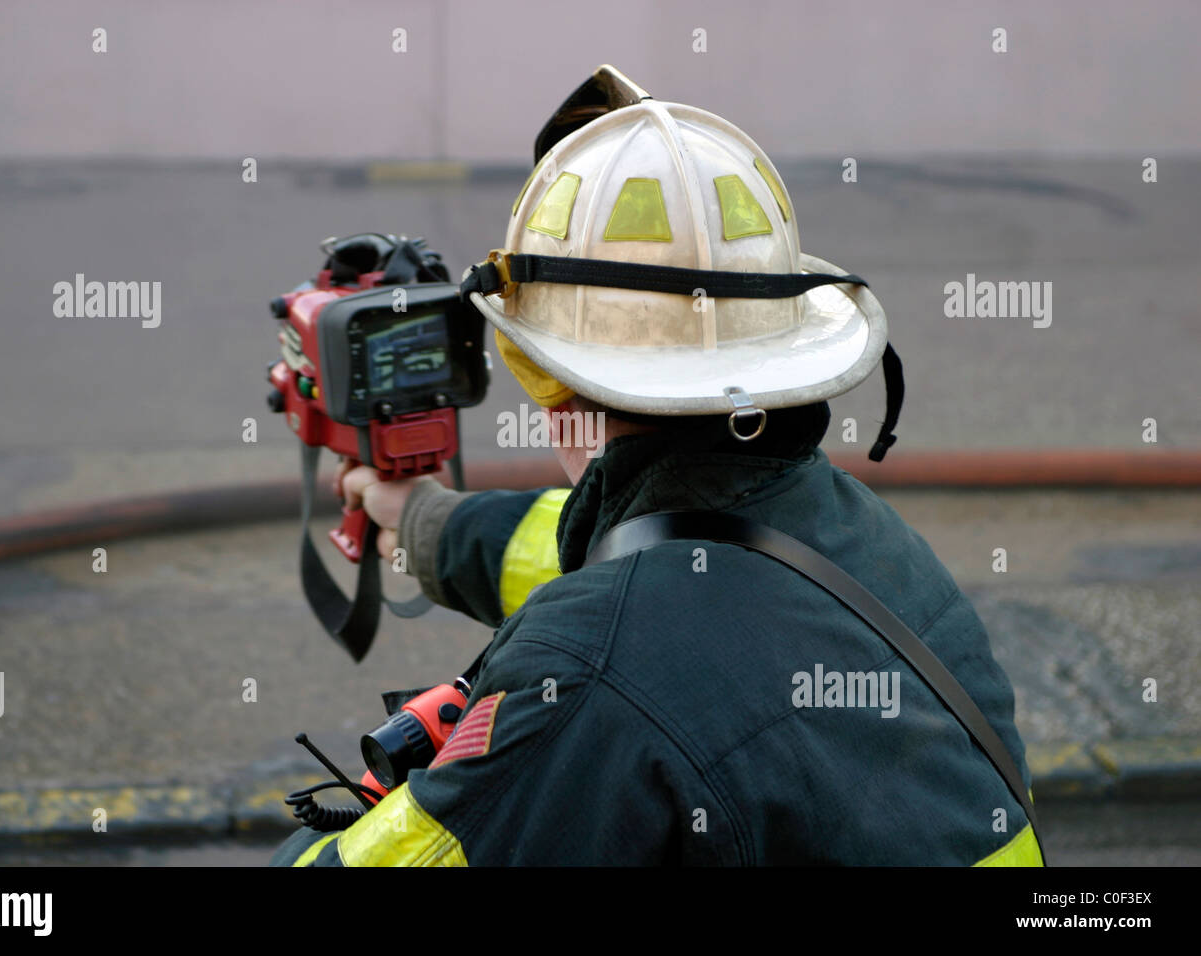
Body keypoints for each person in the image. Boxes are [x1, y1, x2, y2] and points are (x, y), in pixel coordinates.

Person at [271, 67, 1042, 866]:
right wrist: (428, 522)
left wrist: (406, 793)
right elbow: (649, 578)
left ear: (550, 380)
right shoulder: (846, 533)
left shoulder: (585, 678)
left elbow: (625, 643)